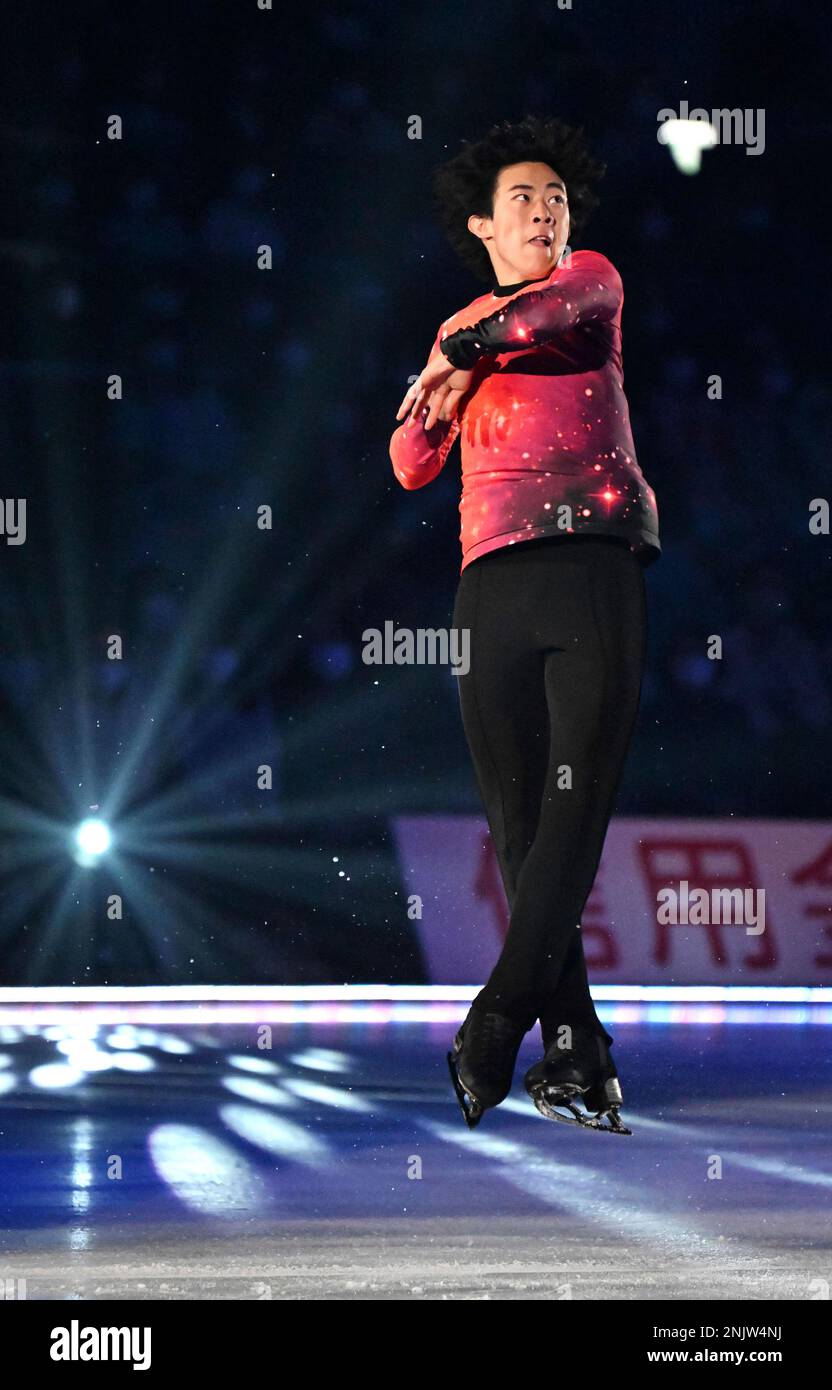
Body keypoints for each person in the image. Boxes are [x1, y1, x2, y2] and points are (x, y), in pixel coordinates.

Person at [389, 115, 660, 1133]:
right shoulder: (461, 318)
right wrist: (436, 385)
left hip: (590, 564)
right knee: (519, 826)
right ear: (481, 225)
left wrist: (463, 352)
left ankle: (496, 1021)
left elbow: (559, 307)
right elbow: (411, 462)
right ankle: (578, 1048)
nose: (544, 212)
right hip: (487, 585)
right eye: (522, 201)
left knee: (573, 812)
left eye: (554, 198)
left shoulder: (584, 281)